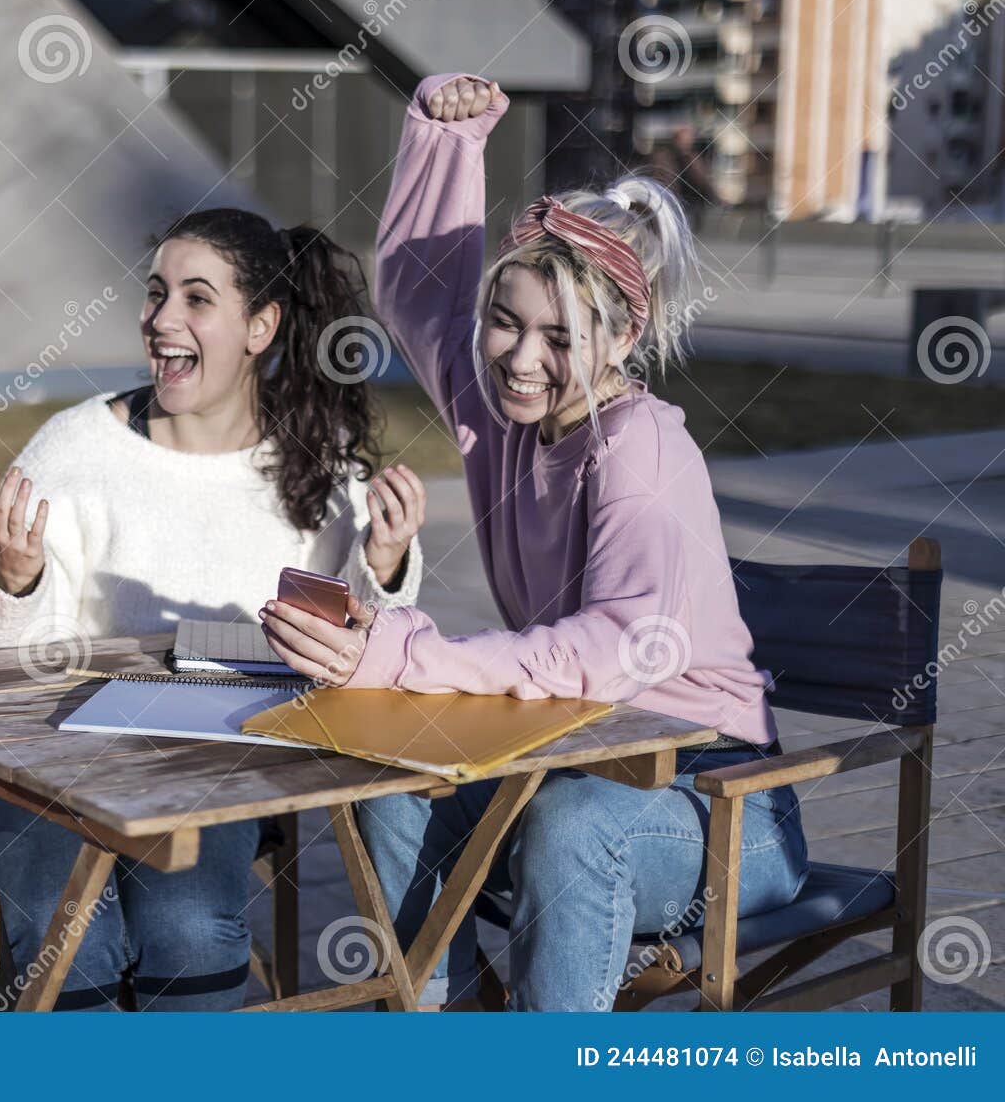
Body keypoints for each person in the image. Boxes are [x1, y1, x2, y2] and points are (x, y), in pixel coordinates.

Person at [258, 75, 808, 1011]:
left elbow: (611, 646)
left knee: (568, 824)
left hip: (724, 803)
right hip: (577, 759)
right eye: (505, 320)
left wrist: (400, 651)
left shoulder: (642, 448)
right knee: (392, 779)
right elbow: (422, 302)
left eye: (560, 336)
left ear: (623, 335)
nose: (518, 356)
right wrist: (445, 143)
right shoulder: (502, 412)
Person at [0, 209, 426, 1009]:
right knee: (66, 928)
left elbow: (360, 652)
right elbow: (5, 666)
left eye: (196, 298)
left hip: (215, 767)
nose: (162, 319)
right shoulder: (71, 450)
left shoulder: (317, 461)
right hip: (57, 765)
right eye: (156, 293)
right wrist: (16, 577)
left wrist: (383, 568)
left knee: (189, 924)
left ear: (261, 325)